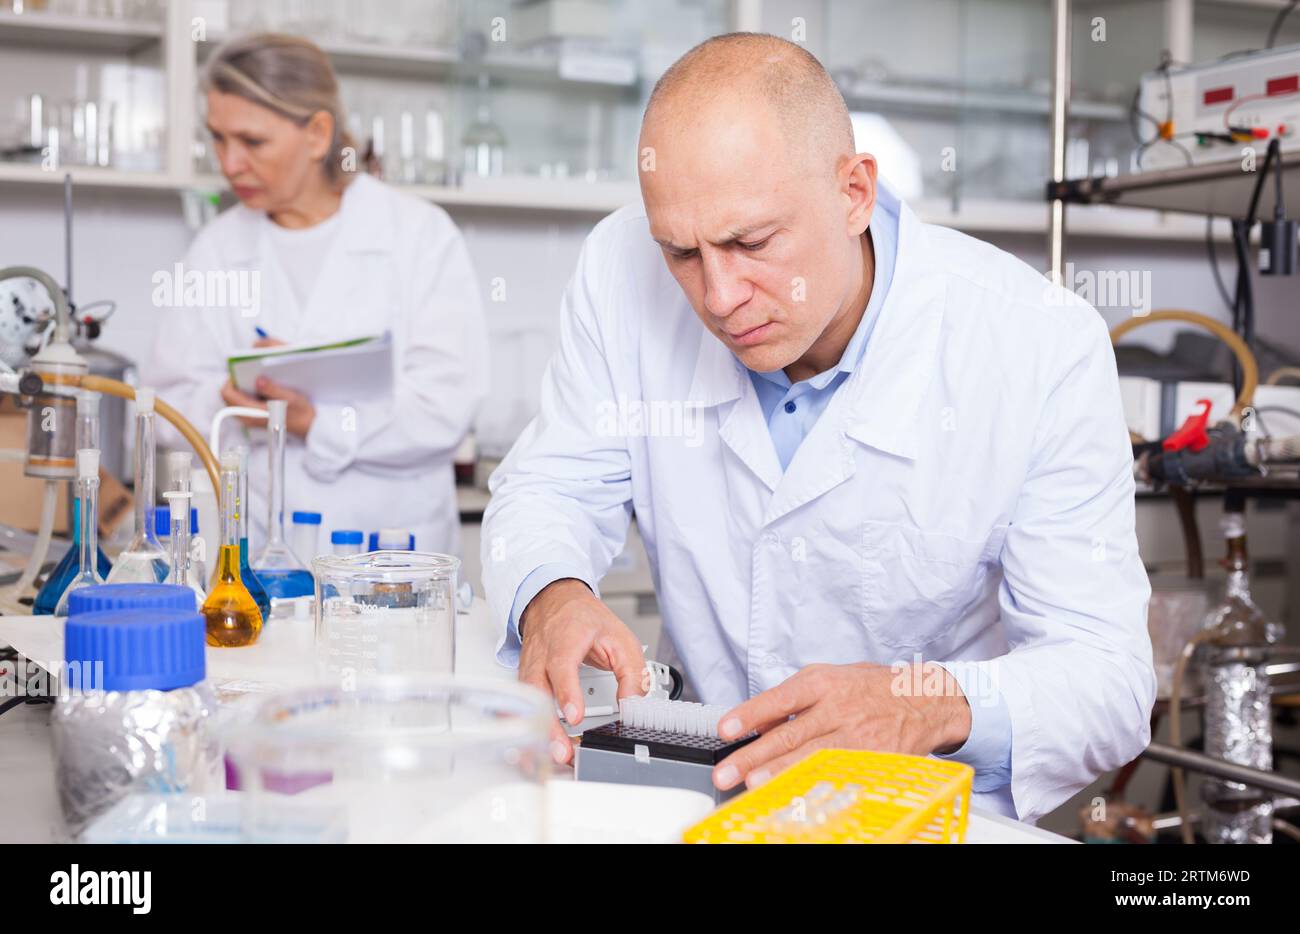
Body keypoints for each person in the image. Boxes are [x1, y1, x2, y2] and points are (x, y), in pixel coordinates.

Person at [481, 33, 1155, 823]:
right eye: (682, 253)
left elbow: (1109, 682)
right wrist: (553, 596)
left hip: (916, 812)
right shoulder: (617, 268)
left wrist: (925, 705)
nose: (720, 295)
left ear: (854, 193)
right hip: (694, 787)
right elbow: (550, 484)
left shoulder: (1037, 343)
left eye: (752, 243)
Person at [146, 34, 487, 557]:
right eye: (217, 138)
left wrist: (317, 423)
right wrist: (233, 403)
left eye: (251, 142)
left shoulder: (418, 235)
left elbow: (445, 408)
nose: (229, 163)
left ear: (317, 134)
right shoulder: (216, 248)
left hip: (392, 557)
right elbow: (166, 406)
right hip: (256, 552)